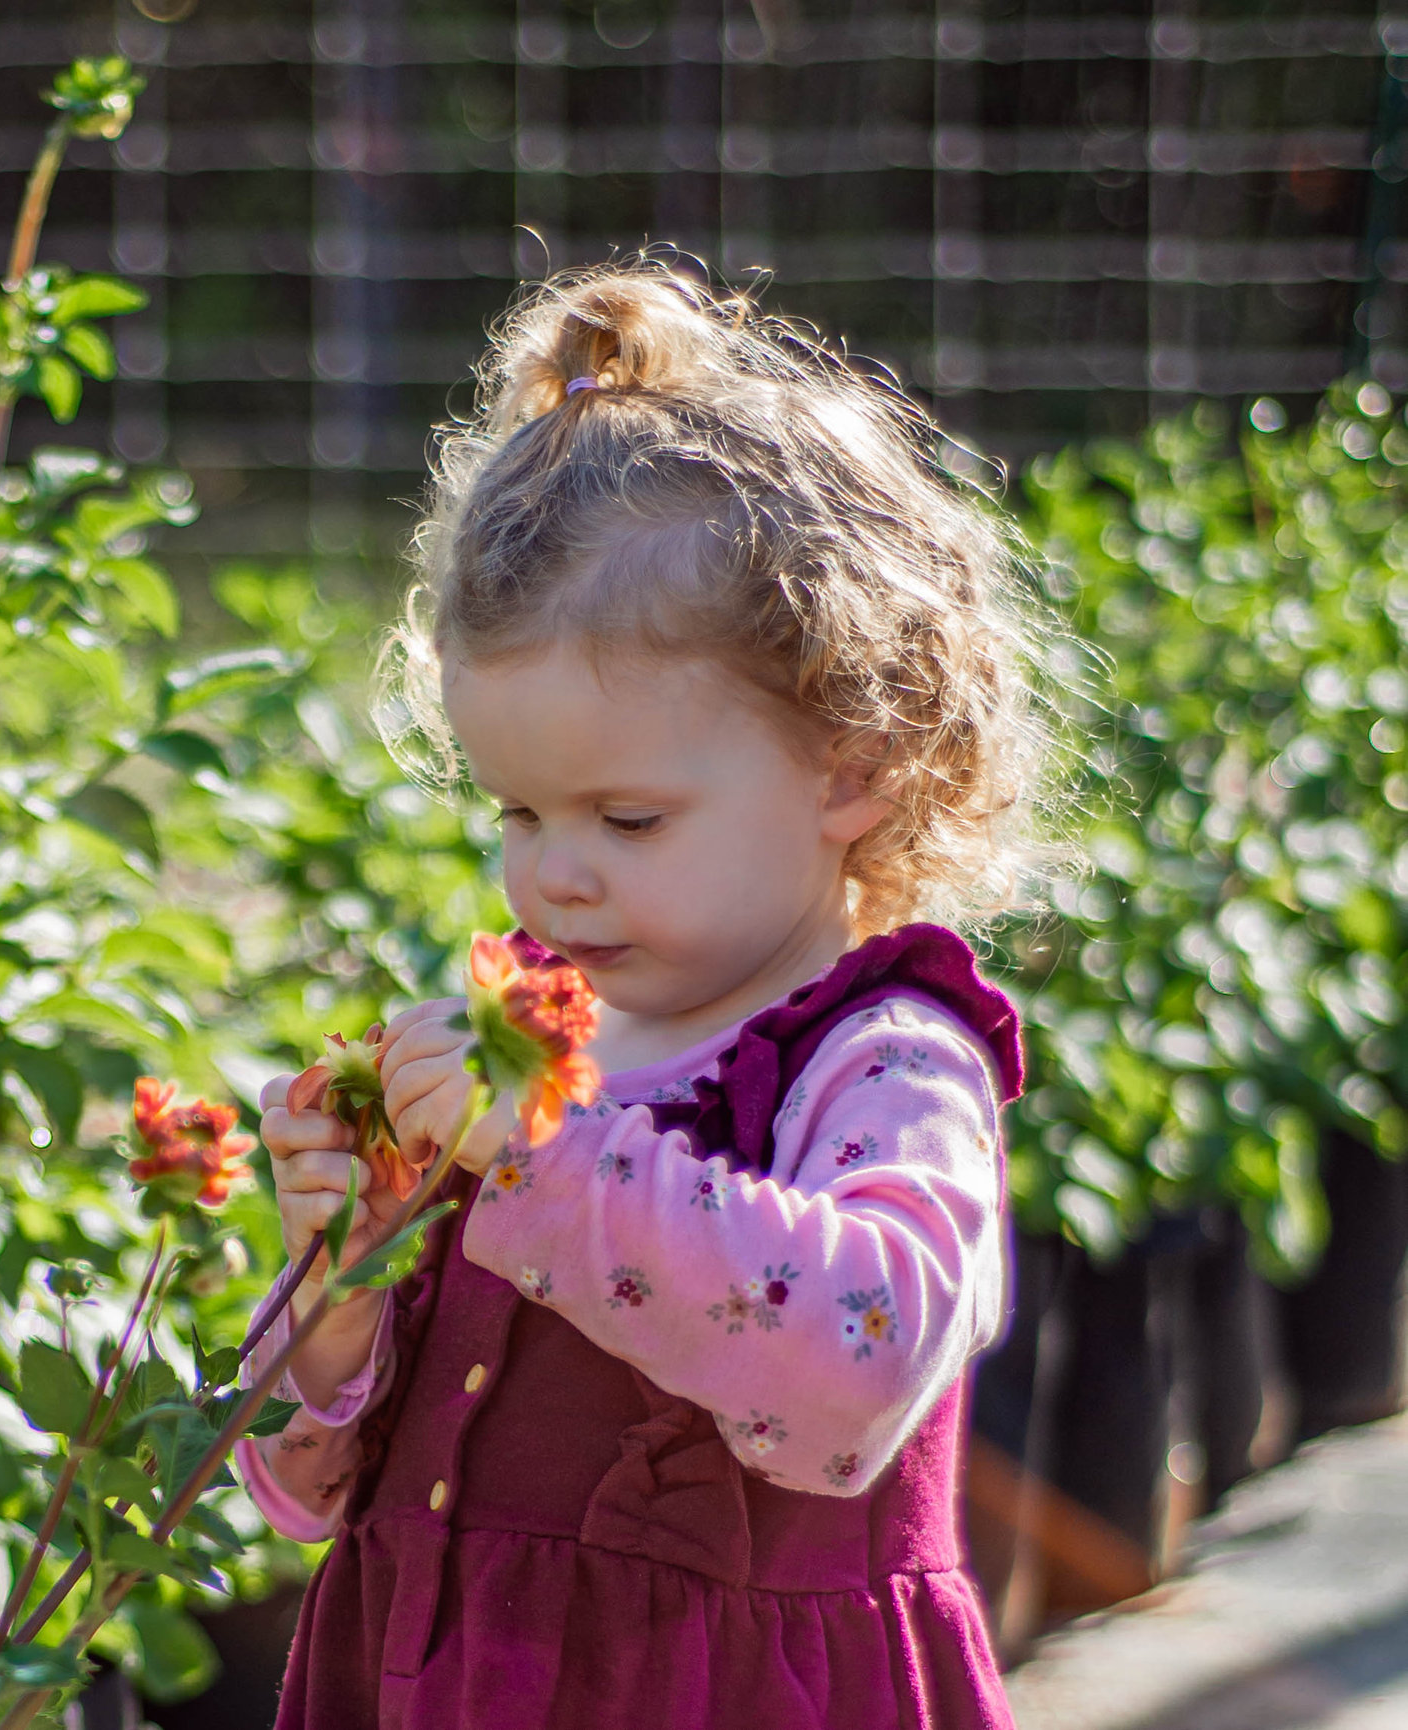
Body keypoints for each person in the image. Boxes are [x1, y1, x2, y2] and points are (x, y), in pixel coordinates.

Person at [238, 258, 1050, 1729]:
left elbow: (851, 1379)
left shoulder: (884, 1065)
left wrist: (545, 1159)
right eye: (517, 815)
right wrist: (341, 1296)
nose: (554, 878)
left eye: (626, 821)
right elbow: (317, 1491)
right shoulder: (530, 1039)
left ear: (850, 765)